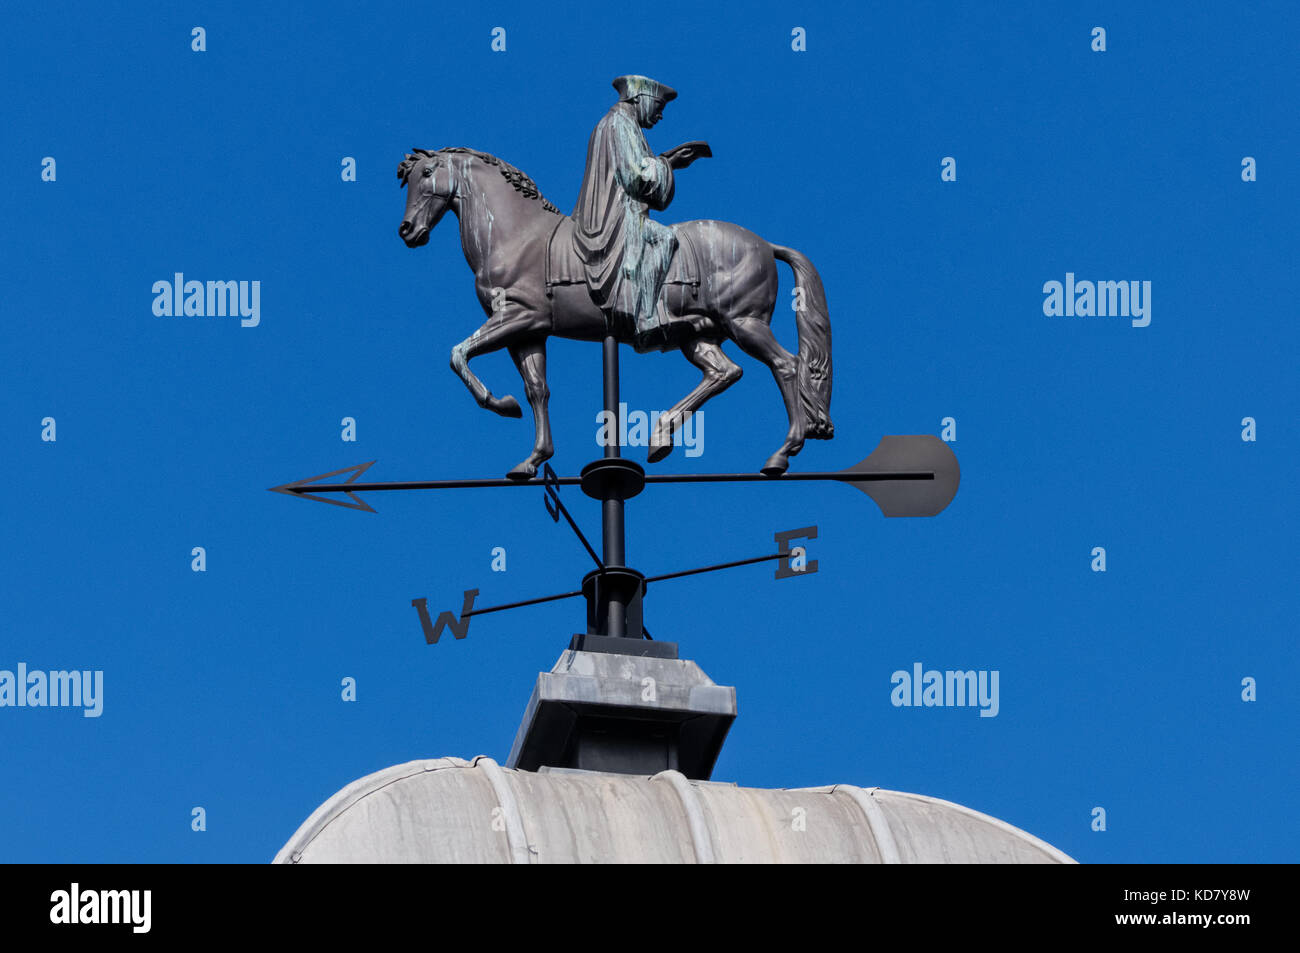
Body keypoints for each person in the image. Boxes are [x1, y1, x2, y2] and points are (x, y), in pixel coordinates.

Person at [570, 75, 708, 351]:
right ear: (640, 98)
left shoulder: (622, 124)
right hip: (615, 216)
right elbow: (635, 176)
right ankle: (646, 316)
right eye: (659, 106)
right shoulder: (618, 124)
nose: (660, 115)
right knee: (664, 239)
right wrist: (669, 164)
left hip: (622, 211)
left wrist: (664, 162)